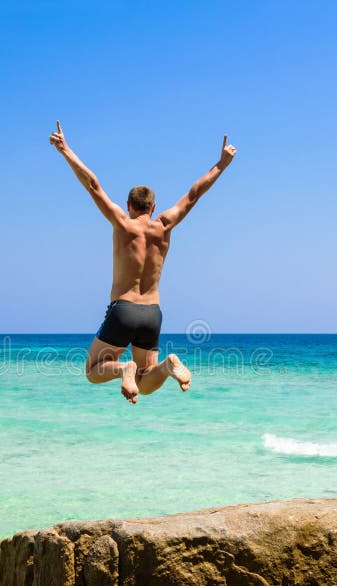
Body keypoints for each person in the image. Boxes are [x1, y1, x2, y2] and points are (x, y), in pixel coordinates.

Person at [49, 121, 236, 403]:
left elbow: (93, 185)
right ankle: (168, 365)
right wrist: (221, 164)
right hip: (152, 313)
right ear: (153, 206)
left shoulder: (123, 224)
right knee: (146, 383)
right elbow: (194, 194)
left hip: (123, 309)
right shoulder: (164, 225)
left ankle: (124, 368)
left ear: (128, 205)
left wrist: (65, 150)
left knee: (92, 370)